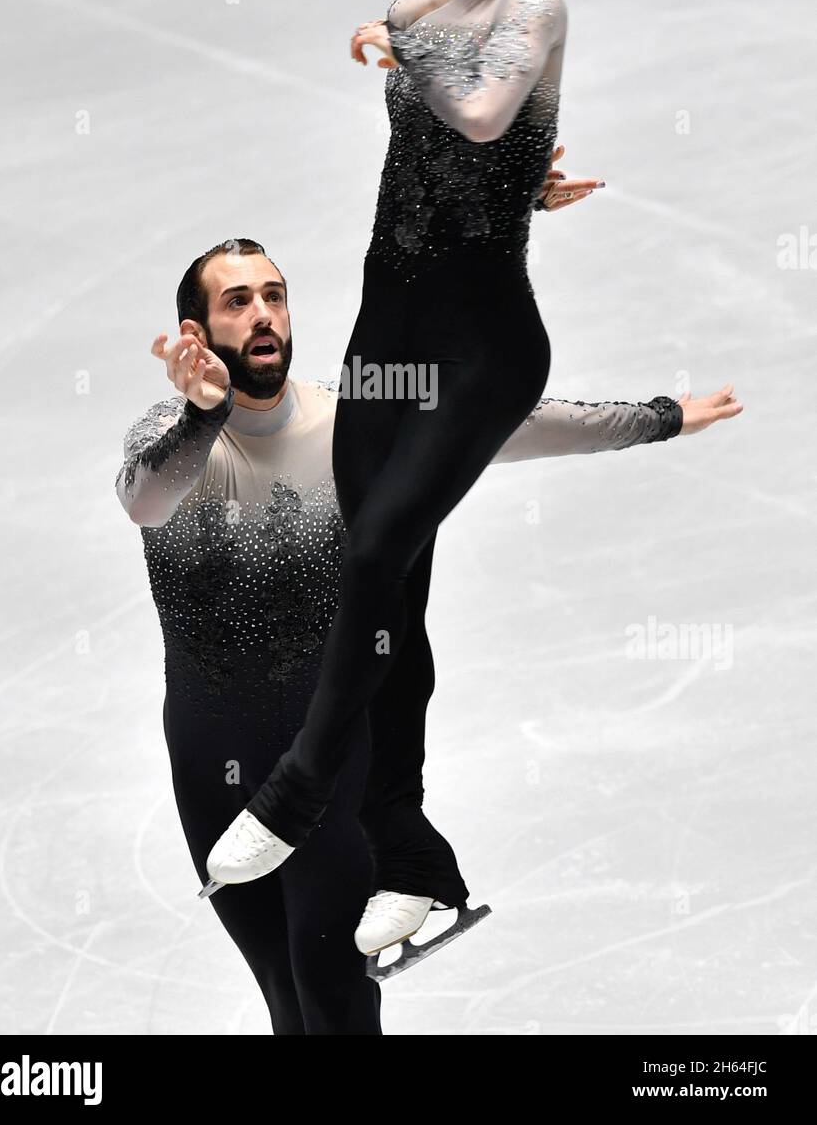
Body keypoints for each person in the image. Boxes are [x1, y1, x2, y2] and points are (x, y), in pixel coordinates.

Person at [116, 237, 740, 1032]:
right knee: (282, 989)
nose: (264, 314)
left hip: (328, 762)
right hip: (208, 764)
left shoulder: (354, 422)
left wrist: (657, 419)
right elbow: (146, 501)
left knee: (334, 989)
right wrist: (203, 415)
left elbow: (508, 424)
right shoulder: (168, 437)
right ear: (194, 330)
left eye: (274, 294)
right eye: (238, 301)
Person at [202, 0, 589, 953]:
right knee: (386, 602)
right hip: (388, 330)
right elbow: (444, 154)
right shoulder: (420, 4)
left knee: (372, 554)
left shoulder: (531, 2)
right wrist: (525, 183)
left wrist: (393, 46)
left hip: (484, 345)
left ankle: (295, 791)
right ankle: (411, 867)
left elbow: (476, 110)